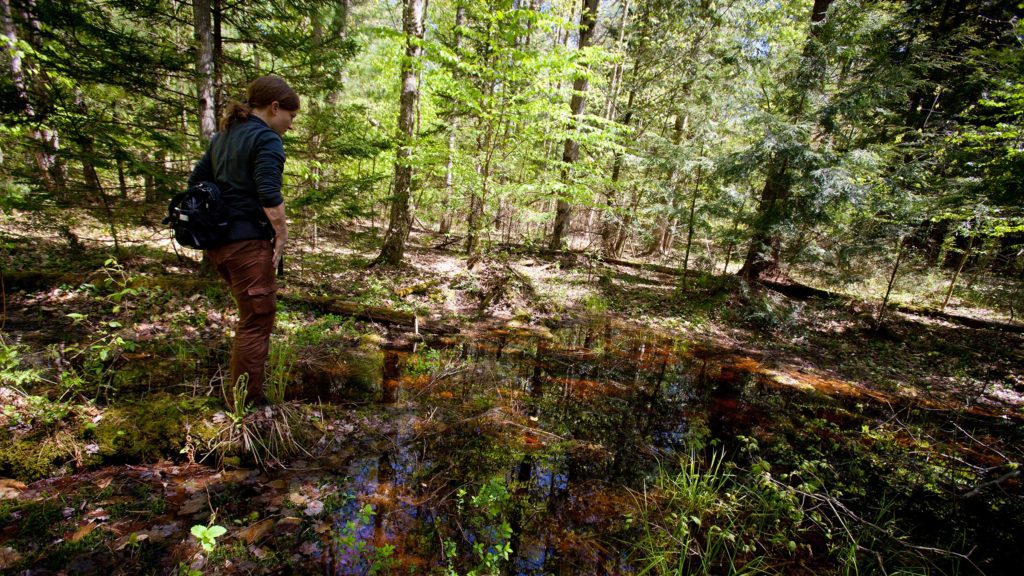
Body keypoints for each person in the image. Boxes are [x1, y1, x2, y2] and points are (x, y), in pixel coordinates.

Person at [188, 75, 300, 407]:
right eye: (291, 117)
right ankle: (247, 405)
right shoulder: (266, 139)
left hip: (219, 244)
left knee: (249, 316)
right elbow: (269, 193)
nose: (290, 126)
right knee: (257, 319)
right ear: (274, 107)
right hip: (248, 244)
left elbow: (196, 182)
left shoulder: (224, 136)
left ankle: (242, 395)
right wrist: (281, 234)